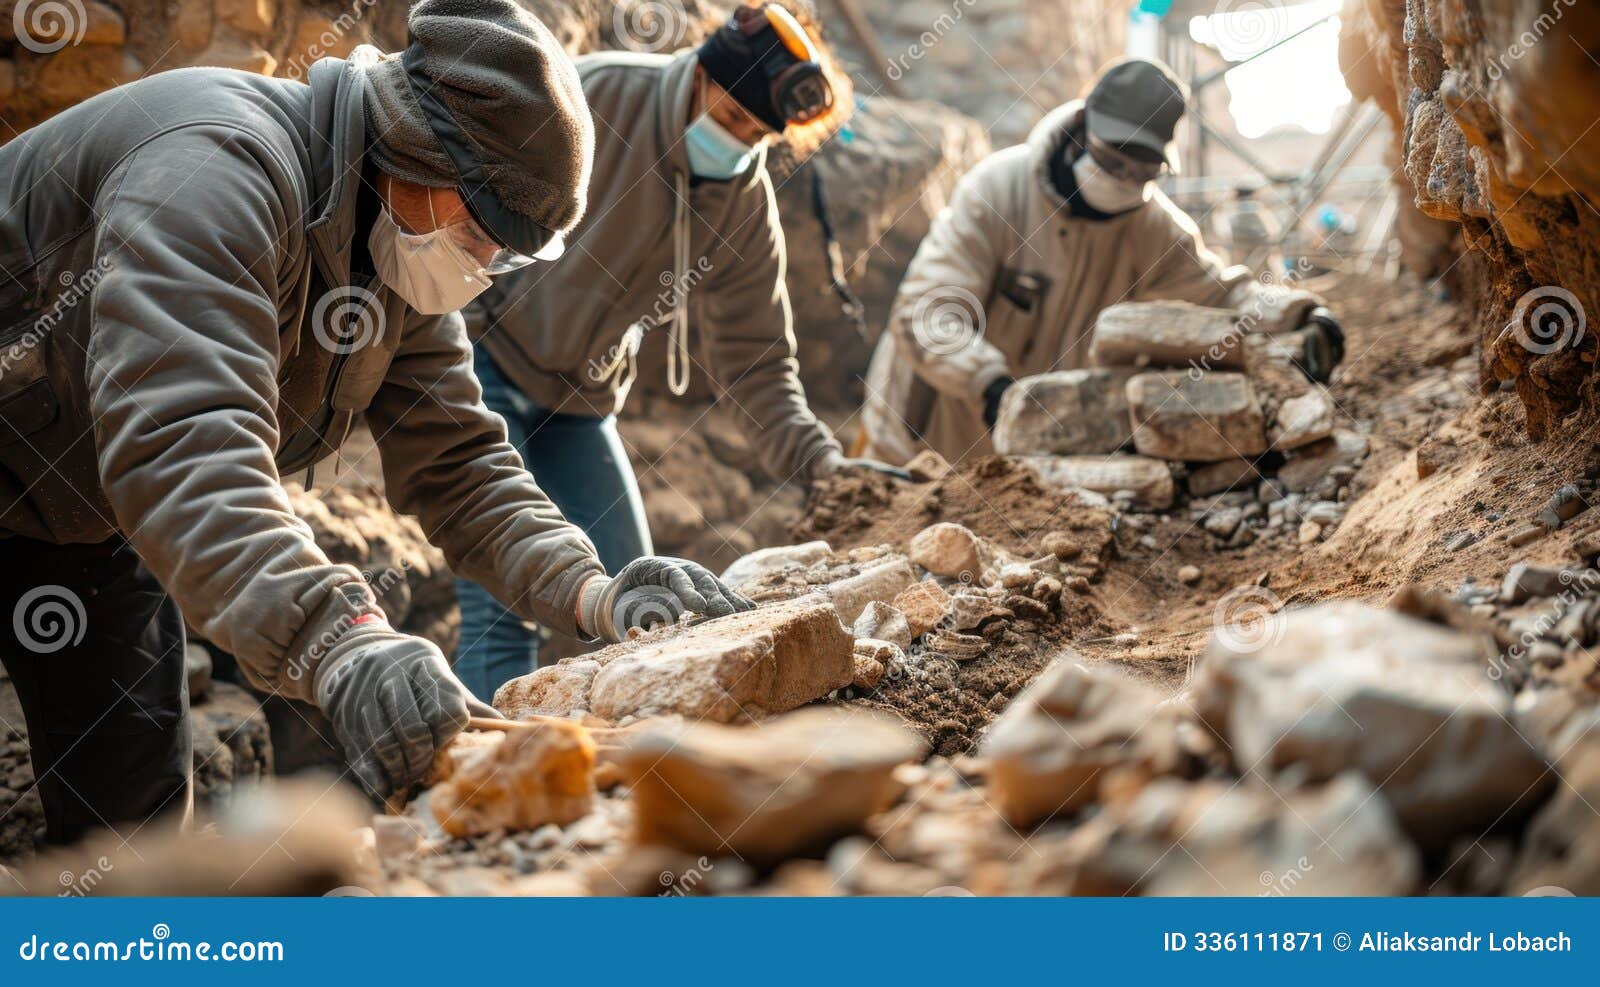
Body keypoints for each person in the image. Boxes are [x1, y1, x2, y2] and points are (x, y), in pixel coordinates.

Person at [0, 0, 749, 842]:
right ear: (414, 147)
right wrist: (340, 637)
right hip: (77, 467)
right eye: (481, 233)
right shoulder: (215, 173)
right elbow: (186, 448)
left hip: (83, 518)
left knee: (129, 833)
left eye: (507, 252)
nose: (485, 267)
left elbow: (461, 466)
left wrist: (593, 591)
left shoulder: (394, 246)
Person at [456, 2, 901, 699]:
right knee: (504, 597)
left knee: (643, 595)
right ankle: (485, 782)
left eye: (756, 135)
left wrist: (824, 466)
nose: (736, 141)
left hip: (579, 396)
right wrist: (457, 327)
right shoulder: (595, 95)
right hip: (482, 358)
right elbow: (475, 195)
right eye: (729, 119)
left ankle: (621, 774)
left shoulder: (742, 199)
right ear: (699, 72)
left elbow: (756, 357)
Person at [859, 57, 1342, 466]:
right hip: (923, 430)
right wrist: (988, 384)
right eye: (1115, 160)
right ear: (1083, 129)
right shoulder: (998, 190)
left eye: (1143, 169)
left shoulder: (1152, 227)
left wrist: (1300, 312)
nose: (1125, 178)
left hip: (1031, 448)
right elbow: (926, 310)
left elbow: (1227, 293)